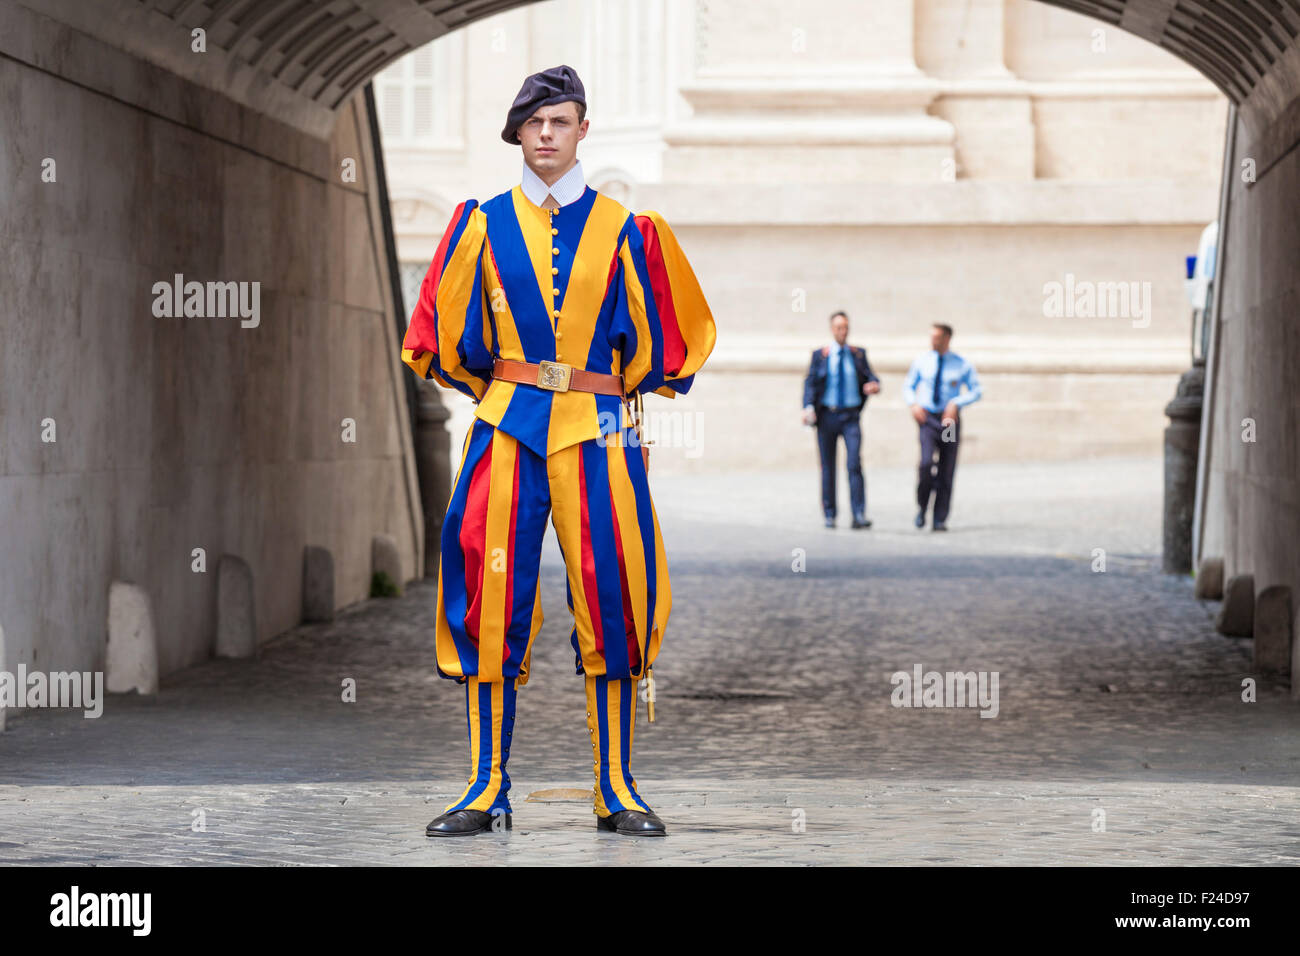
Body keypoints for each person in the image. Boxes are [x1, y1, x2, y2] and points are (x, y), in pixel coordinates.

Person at [400, 65, 716, 837]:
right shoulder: (478, 222)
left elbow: (664, 343)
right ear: (518, 133)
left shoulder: (628, 229)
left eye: (562, 121)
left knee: (615, 598)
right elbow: (441, 334)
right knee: (488, 597)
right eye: (535, 123)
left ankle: (617, 787)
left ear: (582, 130)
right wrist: (510, 385)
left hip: (601, 429)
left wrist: (603, 391)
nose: (548, 134)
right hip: (508, 426)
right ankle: (484, 786)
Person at [801, 311, 881, 528]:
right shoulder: (821, 355)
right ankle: (830, 513)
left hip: (851, 416)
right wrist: (807, 408)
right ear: (831, 329)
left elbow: (871, 376)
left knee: (854, 463)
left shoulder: (857, 354)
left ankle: (858, 513)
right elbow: (810, 383)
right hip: (827, 415)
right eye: (838, 327)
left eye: (845, 327)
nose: (842, 331)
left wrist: (874, 385)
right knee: (828, 467)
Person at [902, 323, 982, 531]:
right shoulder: (922, 361)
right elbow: (909, 385)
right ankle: (922, 506)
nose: (933, 341)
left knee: (946, 468)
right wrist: (913, 404)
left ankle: (940, 517)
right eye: (931, 337)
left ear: (947, 338)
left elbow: (976, 390)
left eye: (937, 337)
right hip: (928, 420)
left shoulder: (961, 364)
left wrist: (956, 403)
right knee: (926, 464)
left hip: (948, 422)